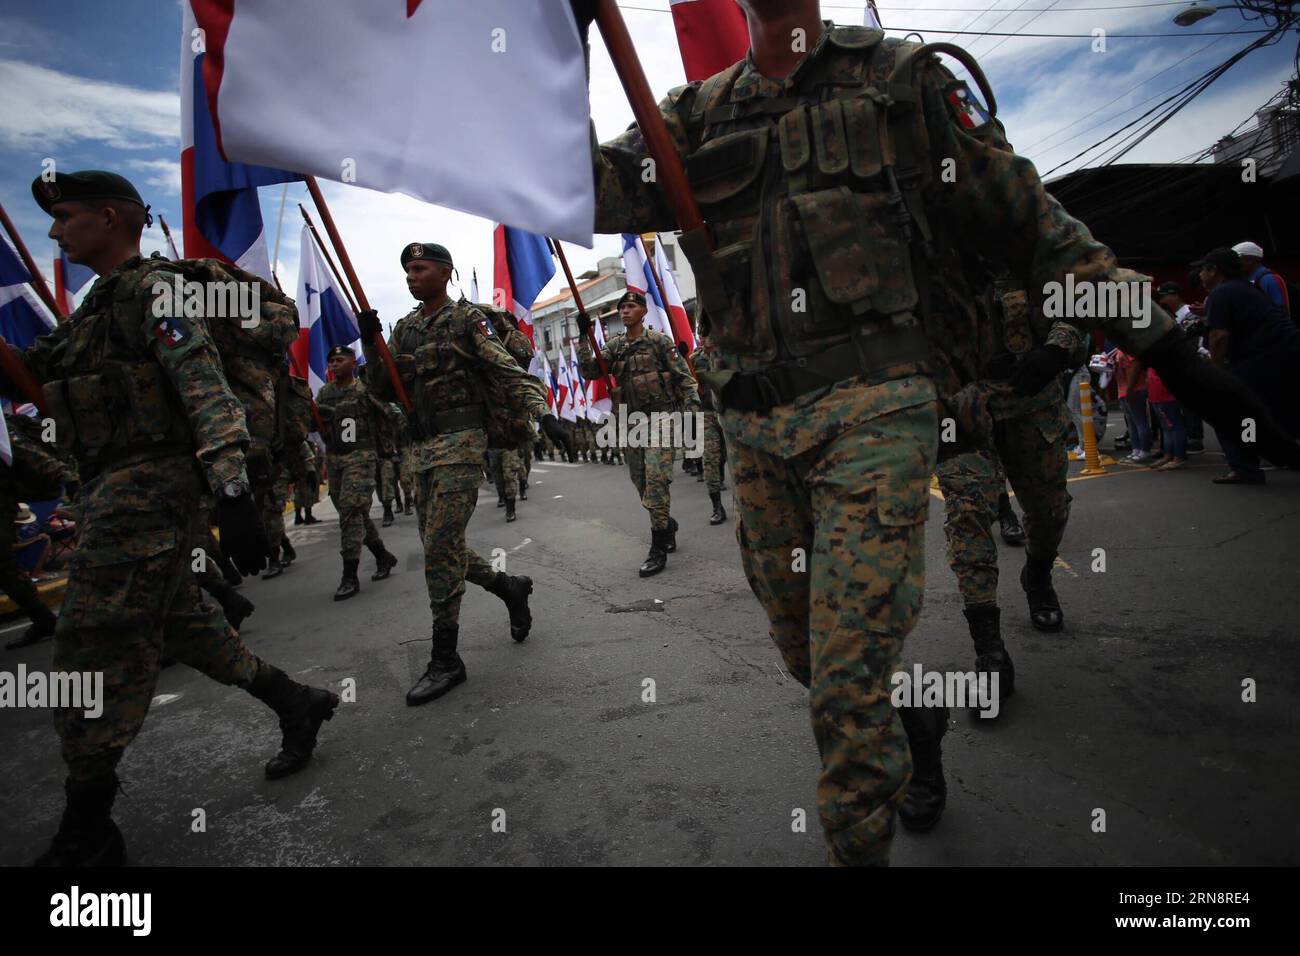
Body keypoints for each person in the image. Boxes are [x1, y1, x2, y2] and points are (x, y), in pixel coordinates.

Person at [579, 0, 1299, 864]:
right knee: (810, 656)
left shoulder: (898, 83)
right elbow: (588, 190)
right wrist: (570, 40)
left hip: (876, 405)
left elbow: (1037, 227)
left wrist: (1179, 360)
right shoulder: (694, 115)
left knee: (842, 689)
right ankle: (914, 719)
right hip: (758, 427)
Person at [4, 170, 339, 866]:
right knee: (186, 626)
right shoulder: (91, 314)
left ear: (108, 216)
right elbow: (31, 378)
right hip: (106, 492)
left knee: (89, 648)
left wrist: (234, 490)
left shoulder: (159, 290)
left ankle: (88, 827)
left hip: (149, 492)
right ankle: (294, 701)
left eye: (65, 217)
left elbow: (201, 382)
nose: (55, 232)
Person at [357, 242, 570, 705]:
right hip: (422, 448)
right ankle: (508, 586)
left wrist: (542, 413)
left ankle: (446, 658)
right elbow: (378, 387)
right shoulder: (406, 328)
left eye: (419, 268)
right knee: (443, 545)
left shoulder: (466, 320)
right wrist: (371, 346)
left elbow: (506, 367)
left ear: (445, 272)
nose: (411, 276)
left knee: (438, 548)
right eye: (407, 269)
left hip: (461, 443)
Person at [577, 291, 700, 576]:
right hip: (631, 423)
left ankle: (657, 548)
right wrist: (583, 337)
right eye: (621, 307)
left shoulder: (658, 341)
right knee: (641, 482)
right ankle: (666, 524)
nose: (624, 311)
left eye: (631, 306)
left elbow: (684, 378)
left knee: (656, 481)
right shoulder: (614, 347)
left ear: (643, 312)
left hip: (662, 418)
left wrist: (693, 416)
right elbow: (590, 371)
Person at [1195, 247, 1300, 484]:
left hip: (1262, 361)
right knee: (1281, 413)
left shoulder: (1222, 293)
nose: (1200, 275)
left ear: (1215, 271)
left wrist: (1215, 371)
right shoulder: (1245, 289)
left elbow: (1219, 336)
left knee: (1230, 413)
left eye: (1203, 269)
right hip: (1283, 357)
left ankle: (1245, 466)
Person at [315, 345, 399, 598]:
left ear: (353, 363)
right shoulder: (325, 394)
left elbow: (391, 413)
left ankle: (349, 575)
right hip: (336, 458)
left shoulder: (364, 391)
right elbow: (313, 422)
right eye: (331, 361)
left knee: (351, 511)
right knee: (355, 514)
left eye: (340, 360)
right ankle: (383, 556)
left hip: (361, 456)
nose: (334, 365)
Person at [1155, 282, 1205, 453]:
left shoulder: (1190, 315)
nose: (1162, 301)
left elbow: (1193, 343)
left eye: (1164, 296)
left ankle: (1195, 437)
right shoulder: (1175, 316)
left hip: (1193, 363)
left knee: (1191, 405)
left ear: (1175, 295)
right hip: (1181, 365)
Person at [690, 338, 728, 525]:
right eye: (702, 334)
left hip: (729, 412)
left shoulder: (728, 353)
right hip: (706, 413)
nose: (706, 337)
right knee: (710, 458)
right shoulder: (694, 359)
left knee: (726, 456)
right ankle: (717, 507)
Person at [1232, 241, 1291, 316]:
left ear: (1250, 260)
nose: (1235, 263)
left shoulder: (1270, 279)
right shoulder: (1243, 280)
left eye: (1238, 259)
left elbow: (1282, 311)